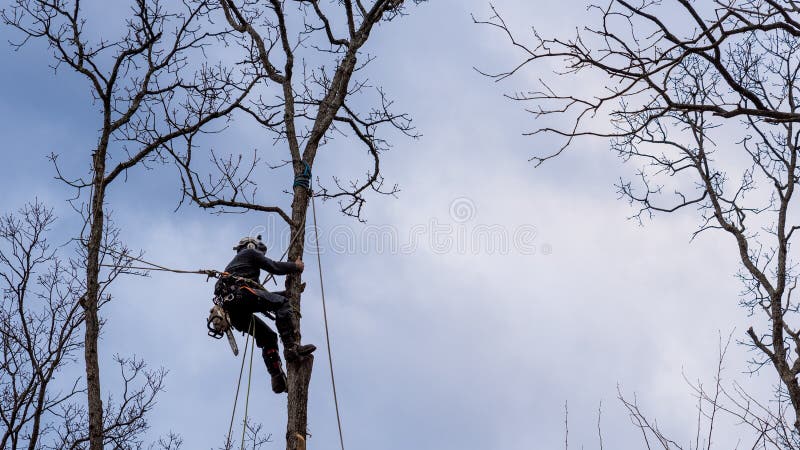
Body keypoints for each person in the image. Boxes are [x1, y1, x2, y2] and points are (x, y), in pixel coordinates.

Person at [214, 235, 316, 394]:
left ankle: (277, 377)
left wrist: (287, 293)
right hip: (242, 297)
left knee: (268, 337)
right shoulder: (248, 254)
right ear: (251, 246)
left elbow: (262, 295)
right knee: (282, 304)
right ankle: (291, 348)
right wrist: (295, 266)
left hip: (234, 310)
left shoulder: (235, 269)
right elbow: (273, 266)